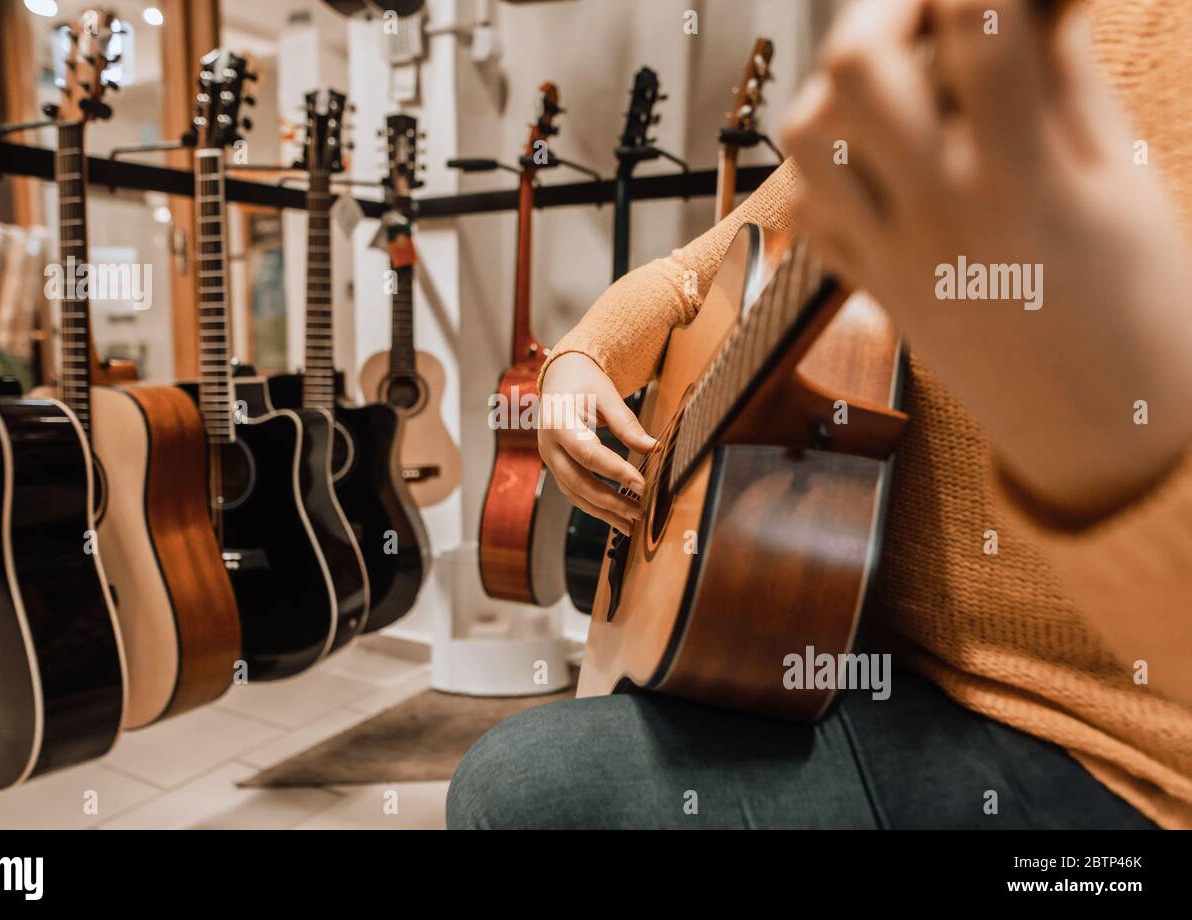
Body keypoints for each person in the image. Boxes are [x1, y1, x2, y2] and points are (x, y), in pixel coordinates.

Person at [446, 0, 1192, 829]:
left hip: (1115, 759)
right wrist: (578, 361)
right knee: (518, 776)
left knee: (521, 795)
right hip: (850, 657)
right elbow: (696, 273)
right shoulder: (936, 46)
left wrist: (1120, 451)